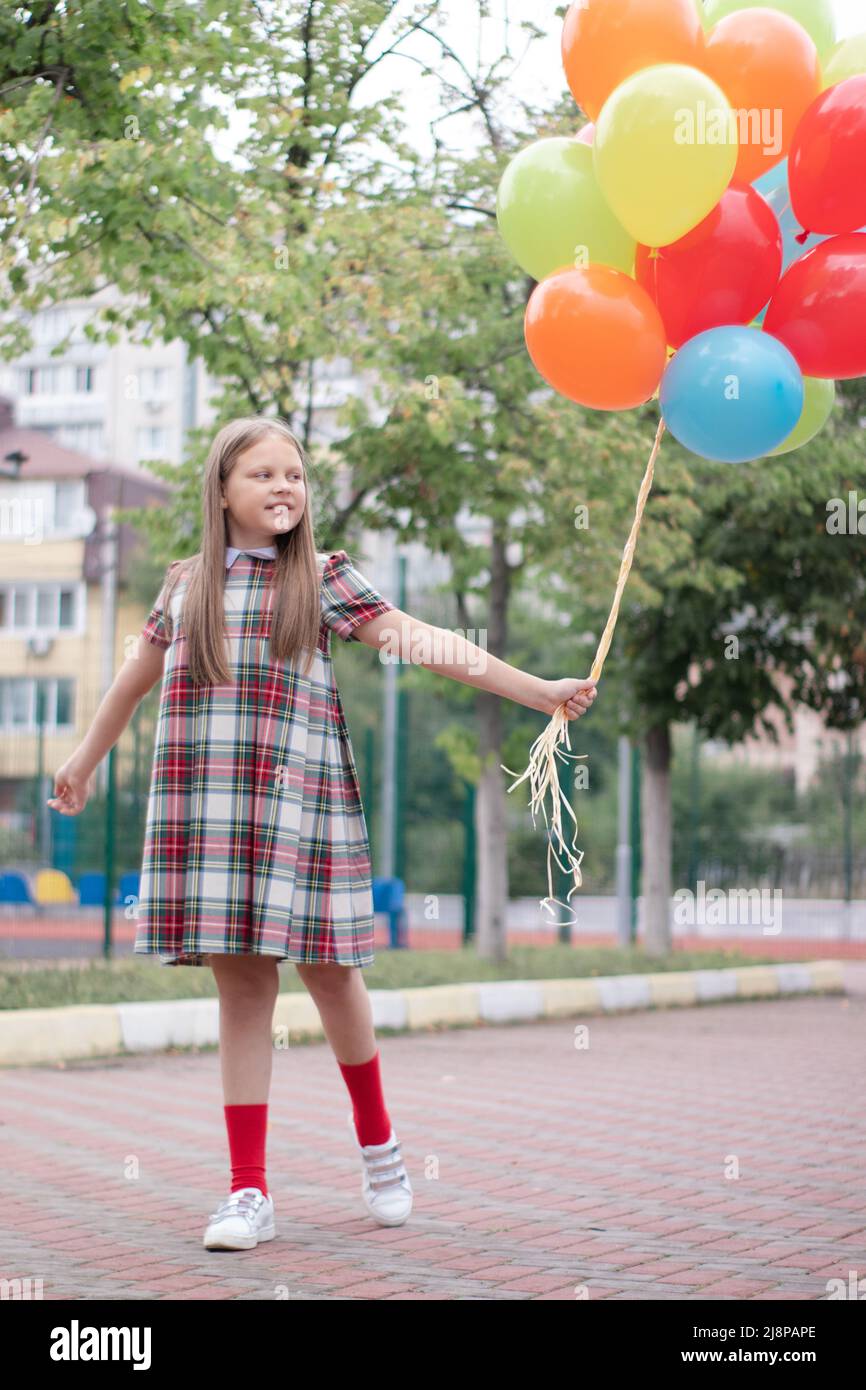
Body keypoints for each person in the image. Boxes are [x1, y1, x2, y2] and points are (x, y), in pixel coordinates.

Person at [47, 415, 597, 1252]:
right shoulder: (185, 585)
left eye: (295, 476)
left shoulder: (326, 581)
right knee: (242, 993)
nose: (284, 488)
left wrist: (538, 691)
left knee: (333, 978)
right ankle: (246, 1191)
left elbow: (427, 643)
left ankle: (381, 1152)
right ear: (222, 490)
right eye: (263, 474)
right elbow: (132, 682)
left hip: (300, 809)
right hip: (212, 810)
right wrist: (83, 762)